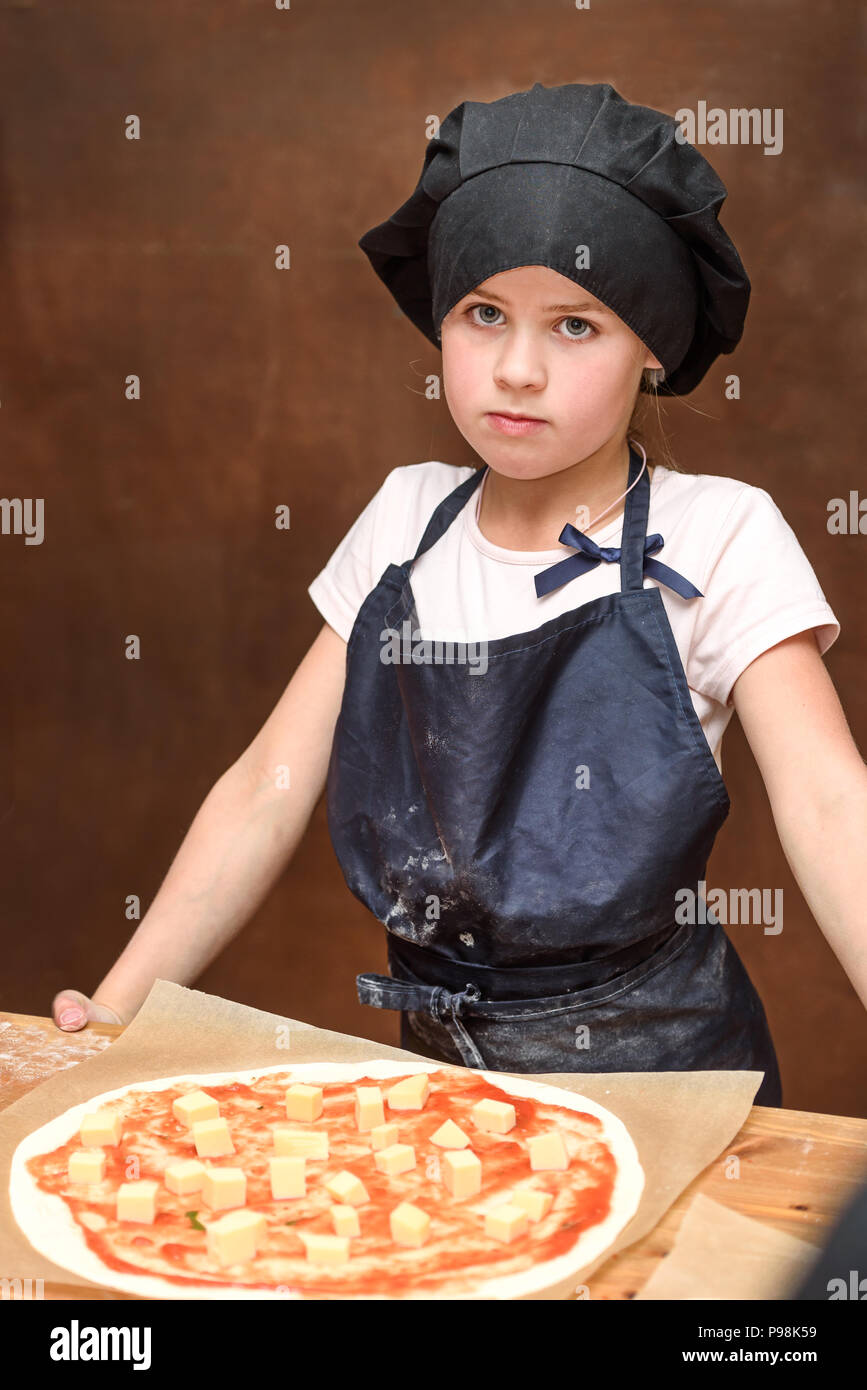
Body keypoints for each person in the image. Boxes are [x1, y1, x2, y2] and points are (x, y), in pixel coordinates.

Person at [52, 83, 867, 1111]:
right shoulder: (404, 524)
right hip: (439, 1094)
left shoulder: (723, 532)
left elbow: (838, 811)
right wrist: (118, 1009)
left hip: (671, 1082)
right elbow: (267, 786)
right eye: (485, 314)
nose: (517, 370)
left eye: (575, 326)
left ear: (653, 347)